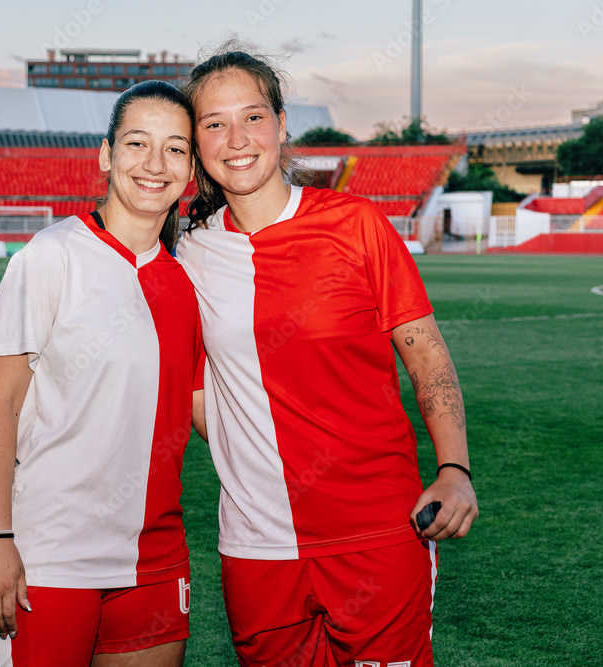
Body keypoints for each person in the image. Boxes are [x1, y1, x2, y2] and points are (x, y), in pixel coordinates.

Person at [176, 48, 479, 667]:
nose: (237, 139)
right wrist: (252, 448)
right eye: (214, 123)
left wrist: (455, 468)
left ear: (281, 125)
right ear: (197, 144)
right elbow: (194, 388)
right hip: (256, 546)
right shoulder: (189, 256)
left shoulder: (357, 225)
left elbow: (427, 357)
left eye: (253, 117)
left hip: (378, 533)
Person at [0, 80, 201, 667]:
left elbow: (204, 409)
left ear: (192, 168)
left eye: (175, 148)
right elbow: (0, 404)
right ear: (105, 155)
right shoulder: (51, 257)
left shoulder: (185, 283)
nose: (155, 164)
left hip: (156, 556)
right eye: (137, 143)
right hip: (50, 554)